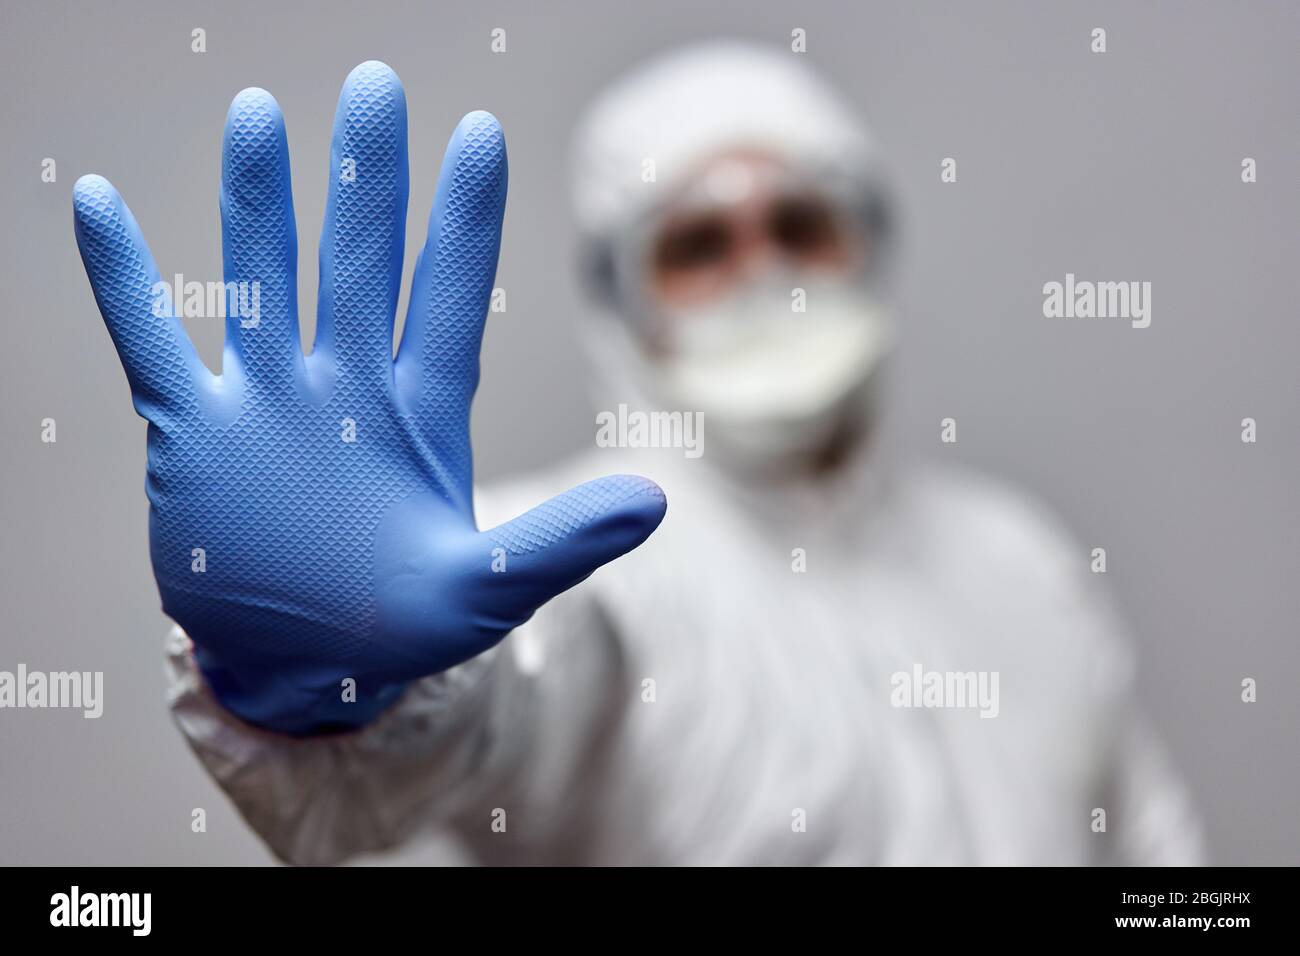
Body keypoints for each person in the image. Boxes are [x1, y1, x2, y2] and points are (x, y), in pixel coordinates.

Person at [74, 43, 1204, 865]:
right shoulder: (563, 568)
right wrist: (341, 684)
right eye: (700, 243)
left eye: (802, 225)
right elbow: (507, 702)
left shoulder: (1017, 560)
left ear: (867, 248)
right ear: (622, 300)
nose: (764, 272)